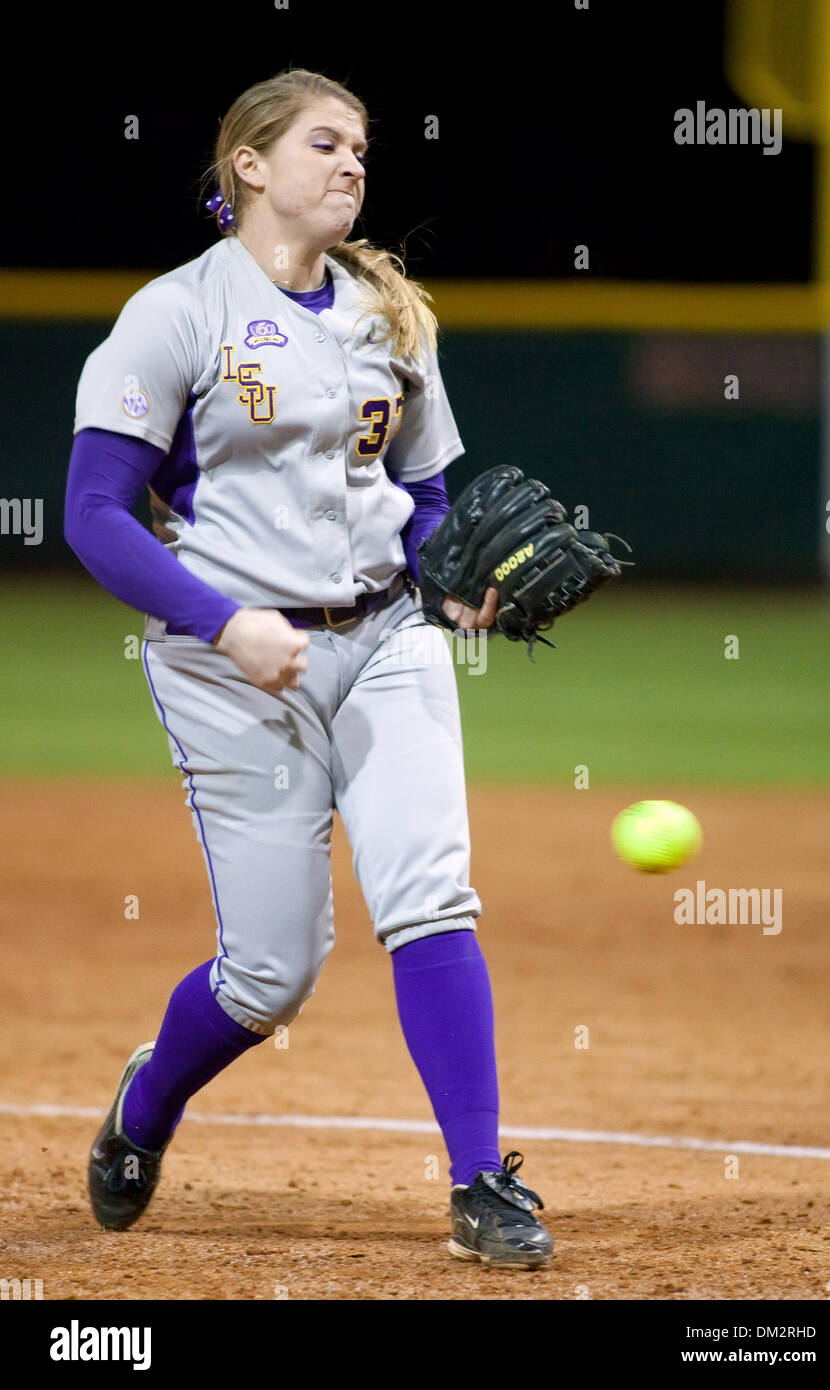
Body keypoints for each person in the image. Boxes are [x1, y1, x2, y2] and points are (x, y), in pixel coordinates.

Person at [65, 66, 553, 1270]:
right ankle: (147, 1103)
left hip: (386, 638)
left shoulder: (390, 317)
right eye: (326, 145)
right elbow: (93, 513)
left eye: (363, 150)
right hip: (231, 666)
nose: (352, 166)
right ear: (249, 165)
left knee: (430, 892)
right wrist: (224, 622)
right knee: (269, 973)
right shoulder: (175, 314)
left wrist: (460, 582)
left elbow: (425, 501)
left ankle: (479, 1179)